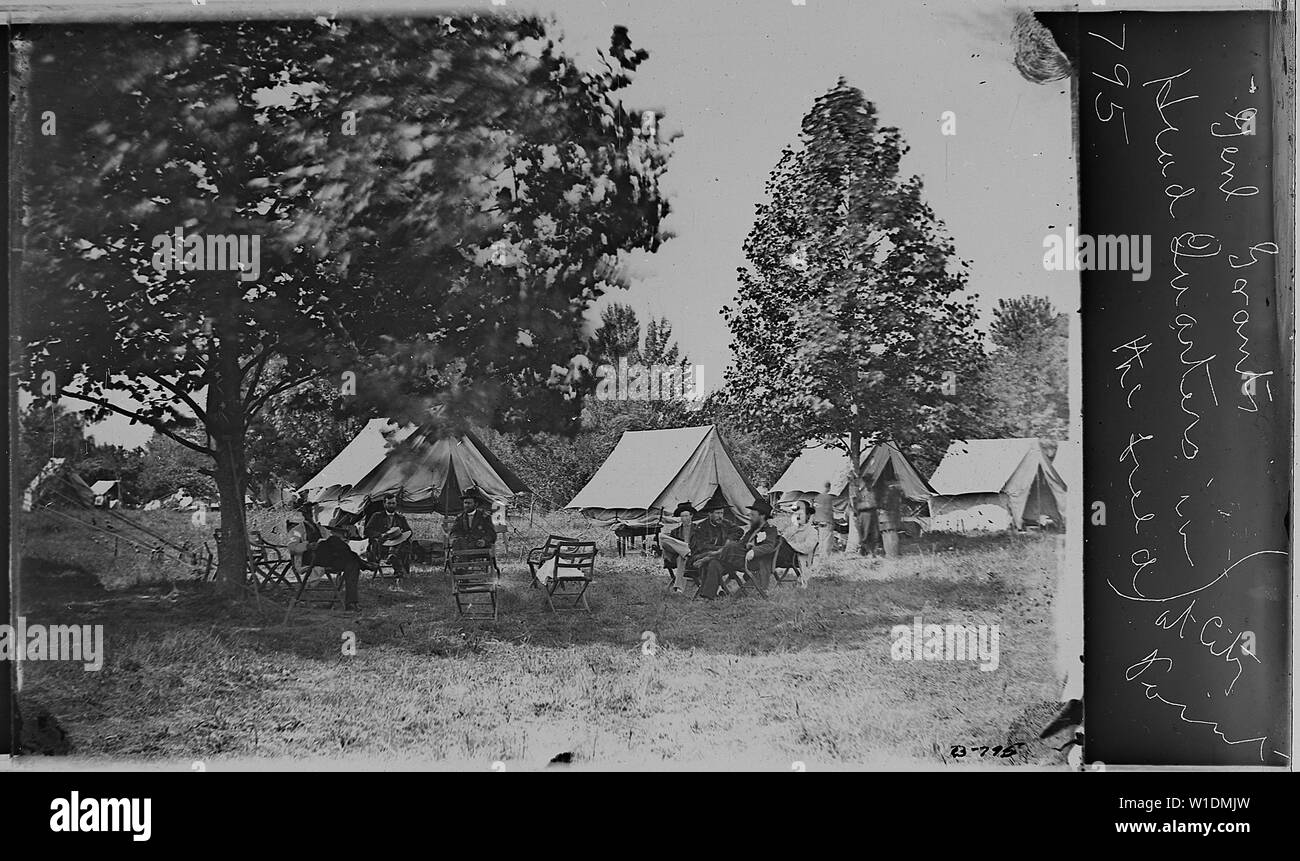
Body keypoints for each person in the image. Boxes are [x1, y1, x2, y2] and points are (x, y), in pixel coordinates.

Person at [287, 498, 375, 611]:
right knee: (333, 540)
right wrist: (308, 546)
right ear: (304, 514)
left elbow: (336, 545)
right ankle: (363, 563)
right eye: (309, 511)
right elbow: (292, 548)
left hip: (326, 558)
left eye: (314, 511)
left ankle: (351, 603)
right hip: (309, 559)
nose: (313, 513)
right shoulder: (297, 530)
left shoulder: (321, 528)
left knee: (351, 563)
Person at [697, 499, 779, 599]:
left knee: (730, 546)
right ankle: (708, 596)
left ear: (762, 516)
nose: (750, 517)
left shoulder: (770, 529)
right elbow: (741, 543)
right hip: (740, 559)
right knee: (715, 562)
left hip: (754, 561)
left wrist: (754, 551)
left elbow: (769, 546)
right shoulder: (752, 529)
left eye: (753, 515)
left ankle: (707, 558)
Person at [660, 502, 740, 592]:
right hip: (686, 552)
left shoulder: (698, 527)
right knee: (664, 540)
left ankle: (680, 587)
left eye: (686, 516)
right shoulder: (676, 531)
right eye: (682, 516)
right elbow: (674, 546)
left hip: (697, 552)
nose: (684, 519)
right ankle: (685, 552)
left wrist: (728, 542)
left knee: (683, 557)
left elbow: (738, 531)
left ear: (691, 516)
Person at [363, 492, 413, 578]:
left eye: (393, 503)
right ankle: (398, 567)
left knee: (402, 543)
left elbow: (409, 531)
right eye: (389, 503)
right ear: (384, 504)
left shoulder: (401, 518)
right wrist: (380, 534)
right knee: (397, 547)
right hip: (382, 545)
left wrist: (401, 533)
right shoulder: (377, 516)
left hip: (399, 544)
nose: (391, 505)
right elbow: (367, 531)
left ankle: (393, 557)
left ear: (396, 504)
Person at [779, 499, 820, 588]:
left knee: (777, 543)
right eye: (795, 514)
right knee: (774, 541)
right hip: (783, 556)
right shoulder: (792, 529)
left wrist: (789, 544)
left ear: (808, 515)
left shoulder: (812, 531)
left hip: (798, 558)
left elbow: (807, 548)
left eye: (800, 514)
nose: (797, 517)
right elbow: (784, 538)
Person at [448, 488, 497, 555]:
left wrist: (484, 541)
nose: (466, 505)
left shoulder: (484, 516)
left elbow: (491, 533)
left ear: (476, 504)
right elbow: (454, 532)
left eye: (469, 503)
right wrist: (457, 538)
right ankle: (464, 563)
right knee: (459, 544)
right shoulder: (460, 518)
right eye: (465, 503)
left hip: (479, 546)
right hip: (464, 545)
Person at [812, 482, 837, 558]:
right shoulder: (830, 498)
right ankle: (825, 558)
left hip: (819, 522)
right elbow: (830, 511)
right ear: (829, 488)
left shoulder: (817, 498)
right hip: (827, 521)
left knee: (821, 539)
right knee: (827, 540)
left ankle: (821, 555)